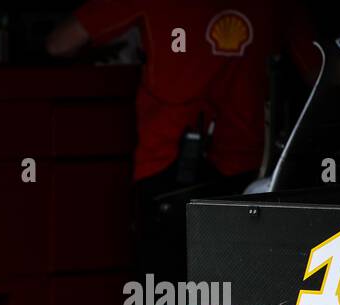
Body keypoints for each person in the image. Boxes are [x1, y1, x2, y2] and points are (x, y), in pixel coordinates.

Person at [47, 0, 316, 280]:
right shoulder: (277, 6)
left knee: (161, 297)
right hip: (240, 174)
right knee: (230, 295)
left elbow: (59, 43)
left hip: (169, 168)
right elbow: (319, 72)